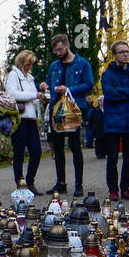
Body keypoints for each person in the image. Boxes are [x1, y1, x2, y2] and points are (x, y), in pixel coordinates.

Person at [42, 33, 94, 196]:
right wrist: (44, 86)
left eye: (60, 49)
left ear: (67, 45)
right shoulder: (54, 66)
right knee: (58, 148)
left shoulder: (82, 63)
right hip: (56, 110)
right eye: (56, 51)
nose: (58, 53)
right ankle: (61, 183)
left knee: (75, 147)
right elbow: (49, 83)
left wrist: (69, 89)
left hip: (73, 110)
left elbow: (89, 84)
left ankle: (79, 184)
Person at [100, 40, 129, 200]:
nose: (126, 54)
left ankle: (125, 188)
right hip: (113, 123)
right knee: (112, 158)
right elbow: (110, 94)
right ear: (114, 55)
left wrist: (122, 92)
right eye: (122, 52)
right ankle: (113, 190)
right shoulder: (107, 75)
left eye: (127, 51)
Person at [4, 49, 43, 192]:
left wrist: (39, 98)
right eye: (28, 64)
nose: (30, 67)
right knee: (19, 152)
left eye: (31, 64)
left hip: (31, 120)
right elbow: (12, 94)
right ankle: (20, 183)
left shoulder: (30, 78)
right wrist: (34, 95)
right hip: (19, 119)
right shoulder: (13, 75)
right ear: (21, 63)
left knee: (36, 152)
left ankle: (30, 181)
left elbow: (32, 97)